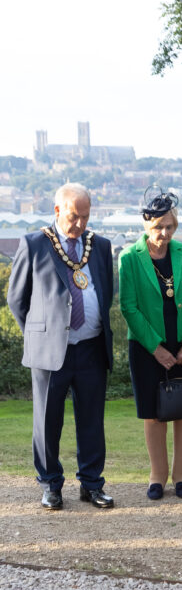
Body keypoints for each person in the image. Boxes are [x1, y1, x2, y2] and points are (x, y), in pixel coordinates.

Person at [8, 183, 114, 510]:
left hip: (92, 347)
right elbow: (16, 299)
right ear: (57, 211)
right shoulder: (34, 244)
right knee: (47, 420)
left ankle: (92, 484)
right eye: (73, 216)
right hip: (51, 352)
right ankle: (51, 484)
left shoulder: (100, 245)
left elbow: (107, 290)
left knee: (92, 420)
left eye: (85, 216)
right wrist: (40, 335)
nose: (80, 223)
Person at [119, 189, 182, 499]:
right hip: (146, 347)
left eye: (170, 227)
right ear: (146, 224)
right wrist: (156, 347)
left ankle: (181, 476)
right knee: (154, 413)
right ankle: (157, 476)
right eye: (158, 227)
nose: (164, 233)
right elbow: (128, 308)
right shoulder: (129, 258)